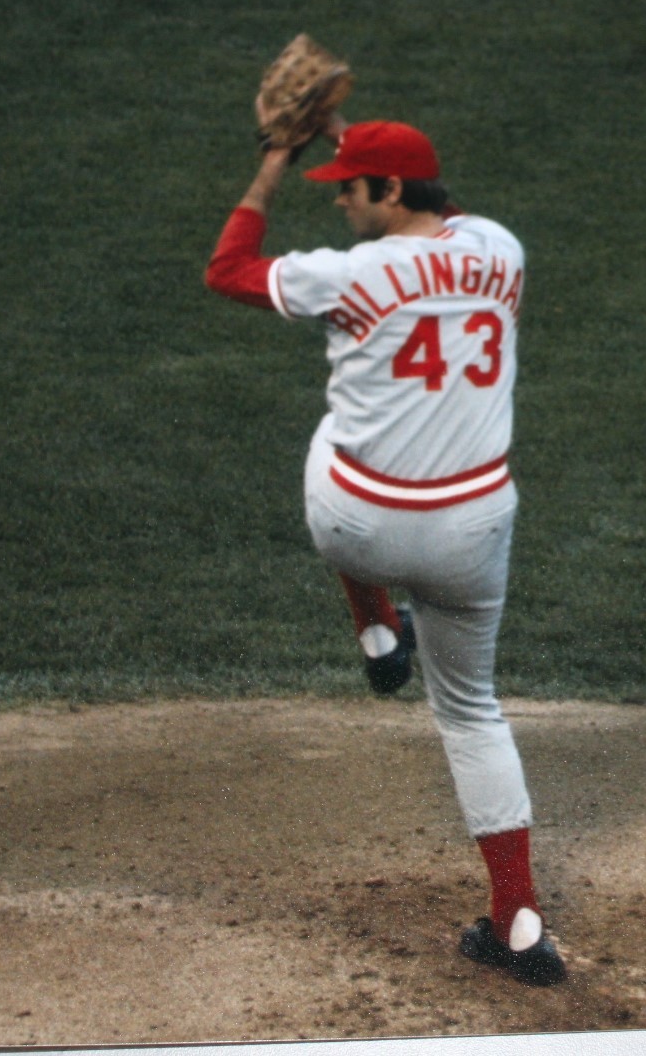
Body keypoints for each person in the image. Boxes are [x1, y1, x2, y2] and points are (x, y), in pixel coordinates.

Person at [203, 114, 566, 986]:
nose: (340, 203)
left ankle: (373, 627)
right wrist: (352, 141)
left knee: (336, 435)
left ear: (390, 191)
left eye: (350, 187)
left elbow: (228, 271)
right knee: (473, 712)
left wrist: (273, 168)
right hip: (472, 535)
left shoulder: (352, 274)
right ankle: (518, 926)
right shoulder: (502, 250)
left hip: (359, 523)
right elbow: (453, 222)